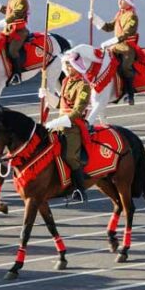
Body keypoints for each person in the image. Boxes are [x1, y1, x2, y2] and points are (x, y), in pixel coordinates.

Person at [46, 50, 92, 200]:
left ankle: (80, 189)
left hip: (73, 125)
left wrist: (57, 121)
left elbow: (77, 111)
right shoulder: (66, 81)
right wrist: (47, 95)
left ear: (75, 66)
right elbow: (61, 104)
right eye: (64, 66)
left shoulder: (83, 85)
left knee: (70, 156)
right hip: (61, 123)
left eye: (68, 65)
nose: (65, 68)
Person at [90, 0, 139, 104]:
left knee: (125, 67)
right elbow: (108, 27)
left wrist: (111, 41)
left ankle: (129, 94)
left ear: (128, 2)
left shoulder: (132, 16)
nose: (119, 2)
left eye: (122, 0)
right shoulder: (119, 14)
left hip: (127, 48)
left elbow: (126, 33)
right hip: (115, 47)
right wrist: (95, 18)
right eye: (119, 0)